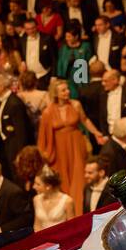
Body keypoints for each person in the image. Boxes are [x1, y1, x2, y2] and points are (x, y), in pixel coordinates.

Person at [37, 78, 88, 209]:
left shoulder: (75, 104)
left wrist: (98, 134)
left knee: (79, 176)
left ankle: (80, 208)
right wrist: (44, 154)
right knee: (63, 178)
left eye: (68, 89)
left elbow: (85, 121)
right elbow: (43, 135)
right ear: (56, 93)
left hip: (76, 144)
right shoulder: (47, 111)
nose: (67, 92)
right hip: (58, 148)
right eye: (63, 90)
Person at [32, 166, 74, 231]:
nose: (34, 187)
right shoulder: (36, 199)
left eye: (38, 184)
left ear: (48, 186)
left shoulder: (67, 201)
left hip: (61, 238)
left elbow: (72, 227)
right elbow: (37, 225)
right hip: (43, 239)